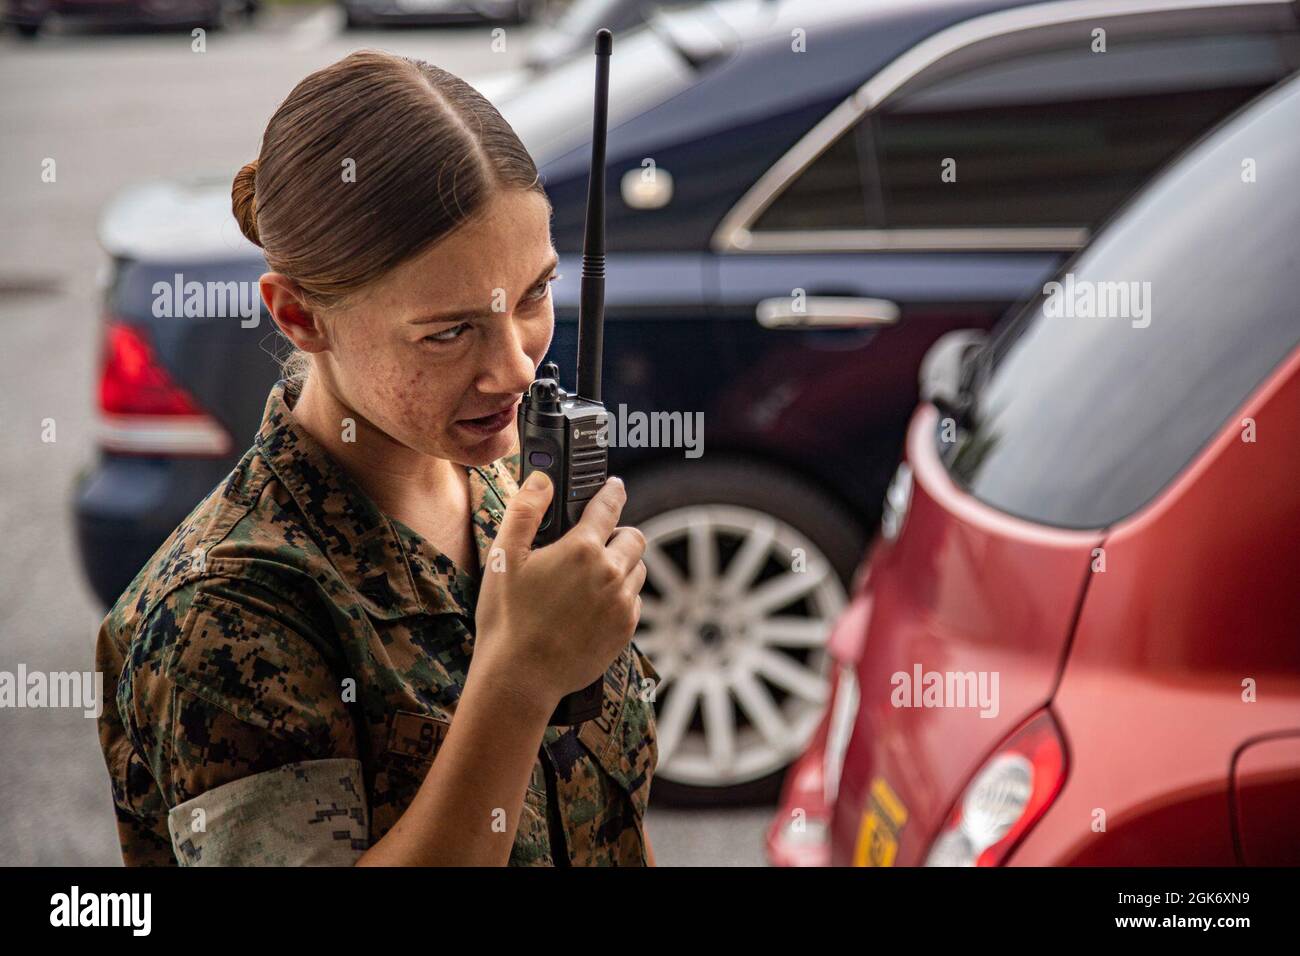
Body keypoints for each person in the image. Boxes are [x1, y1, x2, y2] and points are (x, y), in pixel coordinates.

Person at [94, 49, 659, 866]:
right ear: (299, 317)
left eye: (533, 294)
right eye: (448, 331)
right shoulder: (222, 615)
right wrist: (519, 682)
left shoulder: (509, 494)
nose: (516, 368)